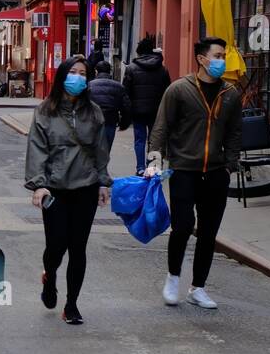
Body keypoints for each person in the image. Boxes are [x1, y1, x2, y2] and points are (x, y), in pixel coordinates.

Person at [146, 36, 242, 310]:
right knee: (183, 226)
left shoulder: (230, 94)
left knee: (209, 232)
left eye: (223, 56)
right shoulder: (178, 90)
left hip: (216, 173)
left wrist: (229, 164)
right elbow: (161, 128)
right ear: (201, 59)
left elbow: (235, 132)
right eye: (218, 56)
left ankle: (198, 288)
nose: (222, 61)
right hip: (184, 170)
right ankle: (173, 278)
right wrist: (154, 162)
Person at [24, 55, 112, 325]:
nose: (78, 77)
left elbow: (100, 150)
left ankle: (71, 305)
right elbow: (37, 149)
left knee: (78, 248)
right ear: (63, 77)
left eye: (83, 73)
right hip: (55, 190)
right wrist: (39, 185)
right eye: (73, 72)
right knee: (56, 246)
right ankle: (49, 277)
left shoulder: (93, 112)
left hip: (85, 187)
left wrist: (103, 182)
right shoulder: (45, 111)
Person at [123, 36, 171, 175]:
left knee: (139, 139)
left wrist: (127, 110)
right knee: (154, 139)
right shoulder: (162, 69)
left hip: (138, 111)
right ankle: (153, 167)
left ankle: (140, 168)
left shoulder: (131, 68)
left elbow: (125, 91)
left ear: (139, 52)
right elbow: (167, 90)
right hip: (157, 111)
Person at [89, 60, 132, 150]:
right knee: (106, 149)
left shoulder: (89, 86)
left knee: (92, 150)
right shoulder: (118, 86)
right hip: (110, 121)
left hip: (93, 122)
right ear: (110, 71)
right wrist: (124, 123)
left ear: (96, 71)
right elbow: (126, 106)